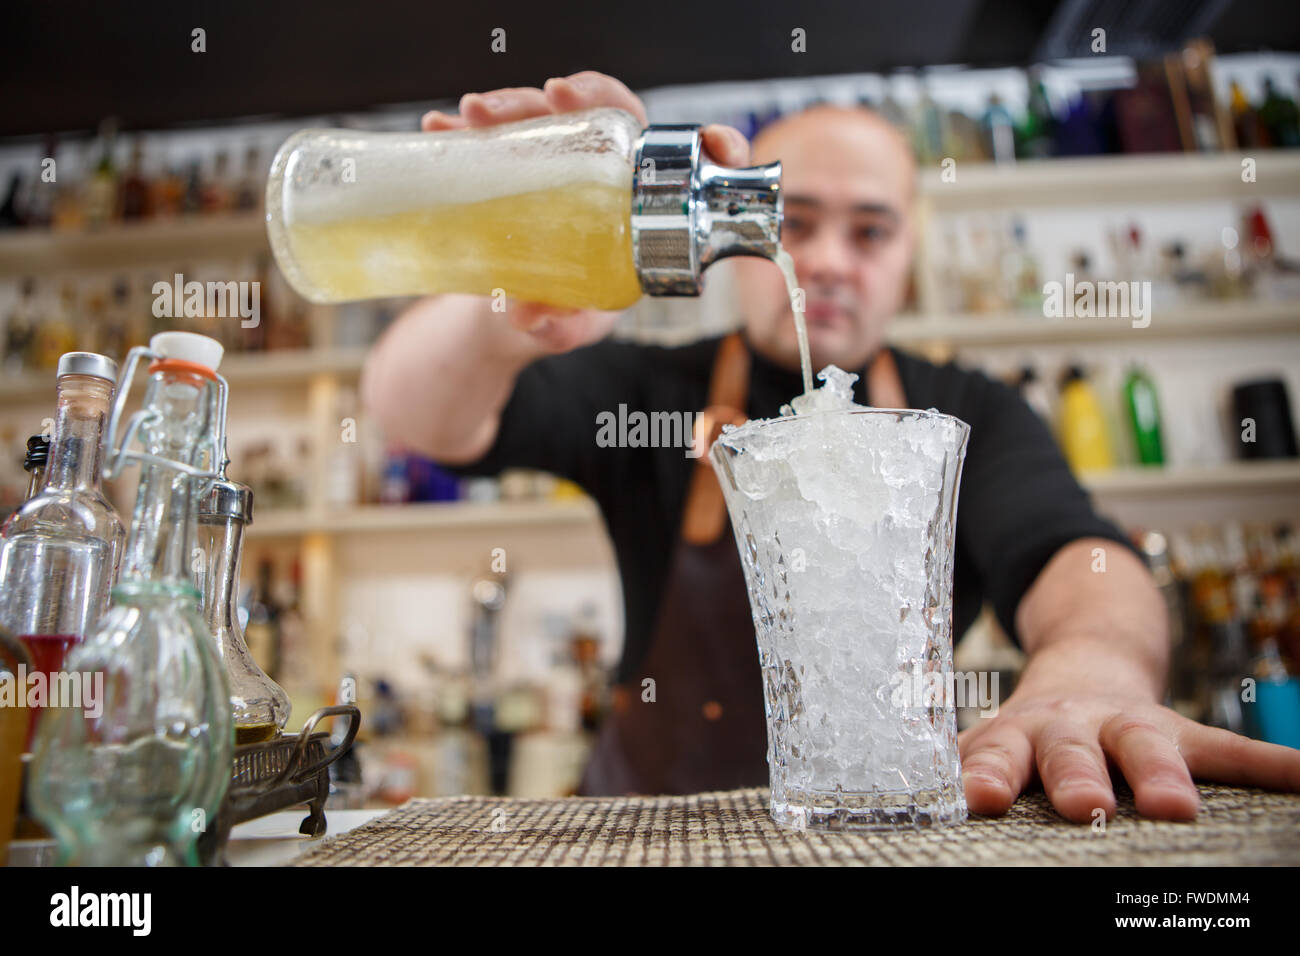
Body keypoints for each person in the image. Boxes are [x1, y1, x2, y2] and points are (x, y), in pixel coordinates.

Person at [361, 71, 1300, 821]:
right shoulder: (650, 387)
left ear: (909, 253)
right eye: (794, 222)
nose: (828, 261)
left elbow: (1074, 551)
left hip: (875, 834)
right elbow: (415, 415)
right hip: (648, 835)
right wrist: (512, 274)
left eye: (870, 231)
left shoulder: (961, 412)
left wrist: (1089, 673)